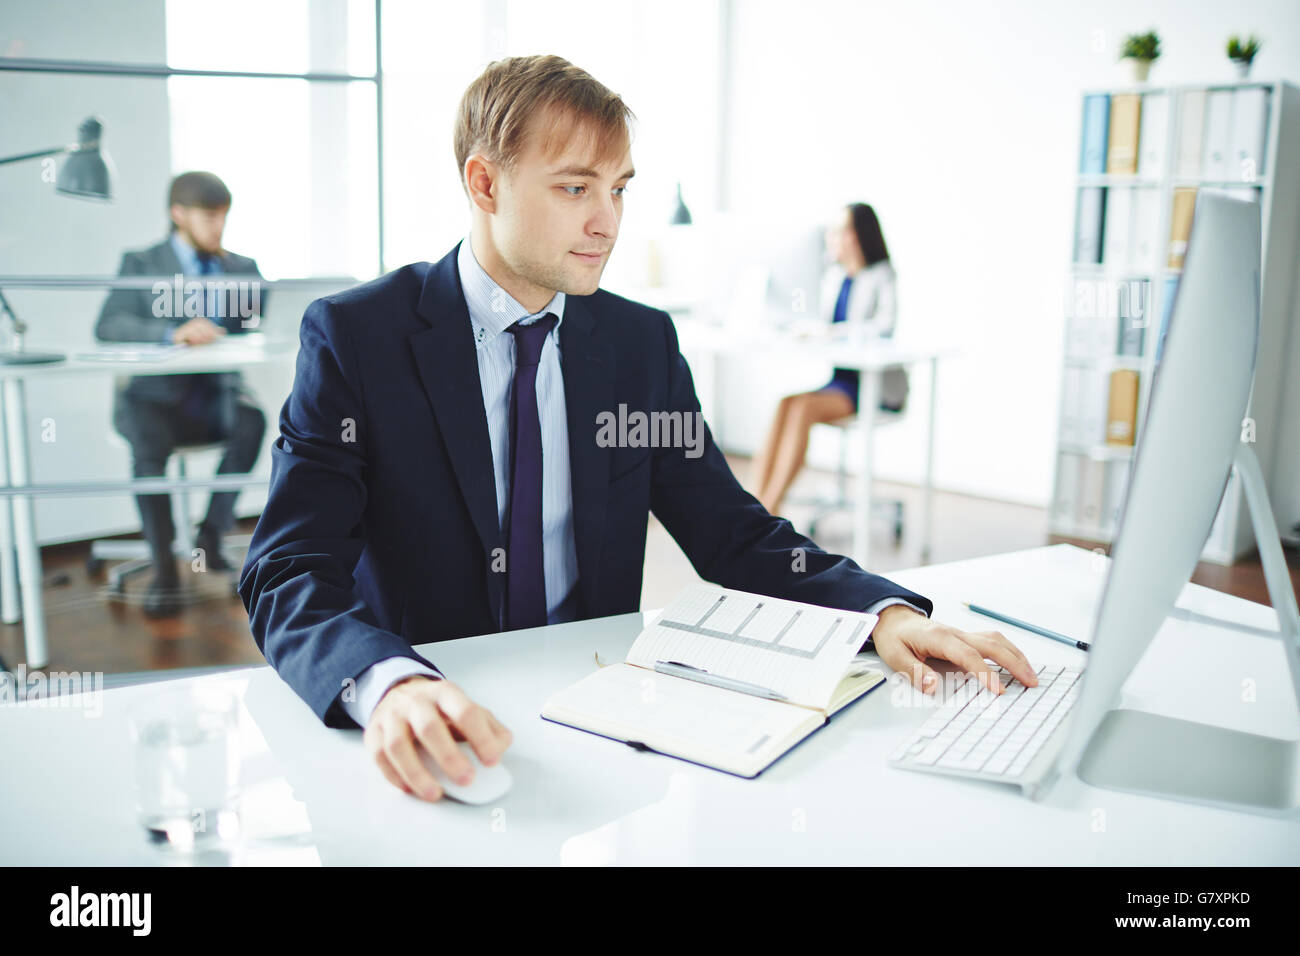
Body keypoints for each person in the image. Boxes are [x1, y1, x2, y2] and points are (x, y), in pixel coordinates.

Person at [239, 54, 1037, 804]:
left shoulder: (638, 343)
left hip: (606, 723)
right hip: (434, 712)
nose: (607, 223)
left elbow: (734, 533)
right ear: (485, 184)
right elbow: (288, 569)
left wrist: (884, 612)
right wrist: (387, 682)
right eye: (575, 188)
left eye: (619, 189)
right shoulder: (358, 337)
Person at [96, 171, 268, 618]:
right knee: (149, 450)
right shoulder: (140, 262)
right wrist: (173, 332)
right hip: (150, 400)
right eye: (210, 217)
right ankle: (164, 568)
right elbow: (109, 325)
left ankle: (210, 538)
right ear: (178, 215)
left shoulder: (242, 267)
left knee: (253, 422)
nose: (219, 228)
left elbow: (253, 323)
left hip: (211, 397)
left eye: (223, 218)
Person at [750, 202, 906, 515]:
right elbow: (820, 320)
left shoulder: (881, 275)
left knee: (803, 409)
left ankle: (770, 509)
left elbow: (884, 327)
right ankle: (752, 506)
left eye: (840, 231)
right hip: (840, 382)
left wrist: (835, 333)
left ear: (857, 235)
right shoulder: (835, 278)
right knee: (786, 404)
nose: (832, 238)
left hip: (871, 387)